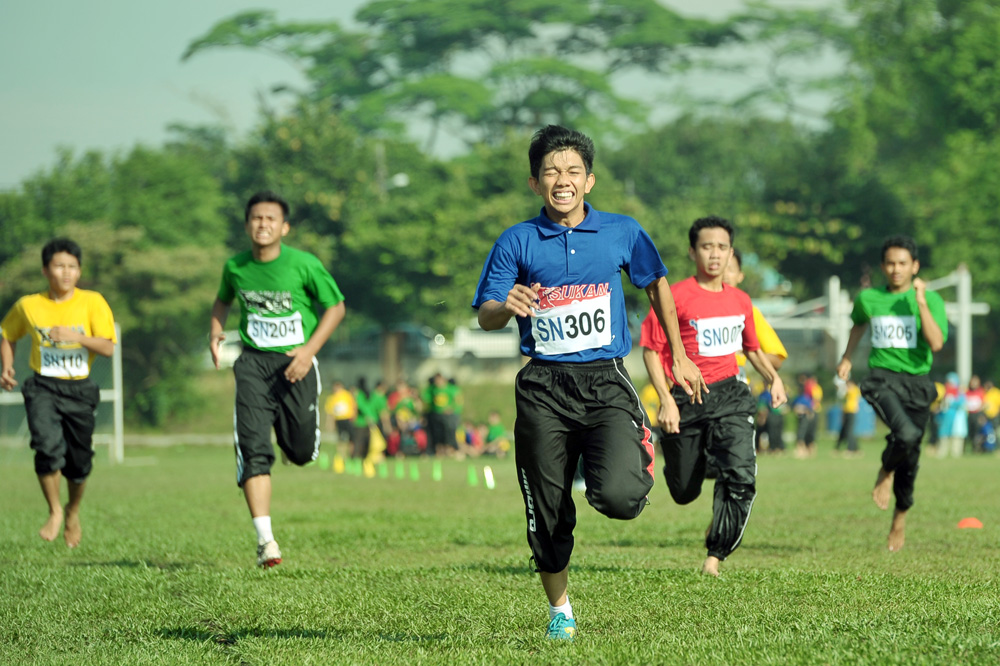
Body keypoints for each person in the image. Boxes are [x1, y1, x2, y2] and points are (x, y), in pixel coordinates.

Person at [472, 125, 704, 640]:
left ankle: (631, 457)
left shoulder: (622, 232)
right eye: (551, 171)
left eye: (572, 171)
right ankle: (561, 611)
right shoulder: (517, 240)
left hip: (606, 381)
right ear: (535, 183)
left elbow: (657, 282)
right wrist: (504, 305)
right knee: (548, 507)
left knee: (620, 498)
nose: (562, 180)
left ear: (589, 180)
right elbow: (486, 312)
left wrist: (680, 354)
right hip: (542, 387)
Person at [641, 216, 786, 577]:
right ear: (693, 251)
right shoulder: (674, 296)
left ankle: (715, 557)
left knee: (741, 476)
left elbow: (752, 349)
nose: (714, 254)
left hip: (732, 395)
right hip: (687, 397)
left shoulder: (741, 300)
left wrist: (773, 378)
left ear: (731, 253)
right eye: (707, 247)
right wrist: (666, 399)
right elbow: (650, 349)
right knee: (683, 490)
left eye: (722, 247)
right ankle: (709, 461)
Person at [209, 190, 346, 567]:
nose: (263, 224)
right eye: (256, 218)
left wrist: (308, 352)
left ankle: (291, 445)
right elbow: (221, 300)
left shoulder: (303, 264)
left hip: (296, 363)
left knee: (301, 452)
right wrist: (215, 329)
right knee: (253, 451)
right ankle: (265, 541)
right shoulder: (235, 267)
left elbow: (335, 307)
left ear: (283, 227)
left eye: (271, 218)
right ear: (247, 225)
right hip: (253, 365)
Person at [1, 239, 117, 549]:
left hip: (79, 388)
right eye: (59, 266)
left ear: (79, 271)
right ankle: (53, 510)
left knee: (79, 464)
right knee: (46, 447)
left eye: (72, 267)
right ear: (45, 270)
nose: (66, 273)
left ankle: (72, 511)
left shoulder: (93, 302)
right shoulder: (29, 305)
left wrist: (75, 336)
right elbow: (7, 334)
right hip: (43, 387)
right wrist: (7, 366)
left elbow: (107, 347)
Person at [836, 235, 946, 552]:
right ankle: (885, 470)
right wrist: (846, 357)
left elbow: (936, 343)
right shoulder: (869, 298)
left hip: (918, 383)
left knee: (911, 453)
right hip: (882, 379)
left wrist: (921, 302)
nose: (895, 269)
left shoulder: (930, 300)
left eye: (902, 263)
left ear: (915, 266)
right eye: (890, 263)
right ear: (883, 266)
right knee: (906, 433)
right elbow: (858, 324)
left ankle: (899, 518)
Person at [835, 378, 862, 456]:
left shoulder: (855, 390)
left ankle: (850, 449)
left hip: (852, 412)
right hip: (846, 412)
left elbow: (849, 391)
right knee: (845, 430)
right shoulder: (848, 391)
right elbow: (843, 394)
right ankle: (856, 449)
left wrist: (842, 387)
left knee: (849, 431)